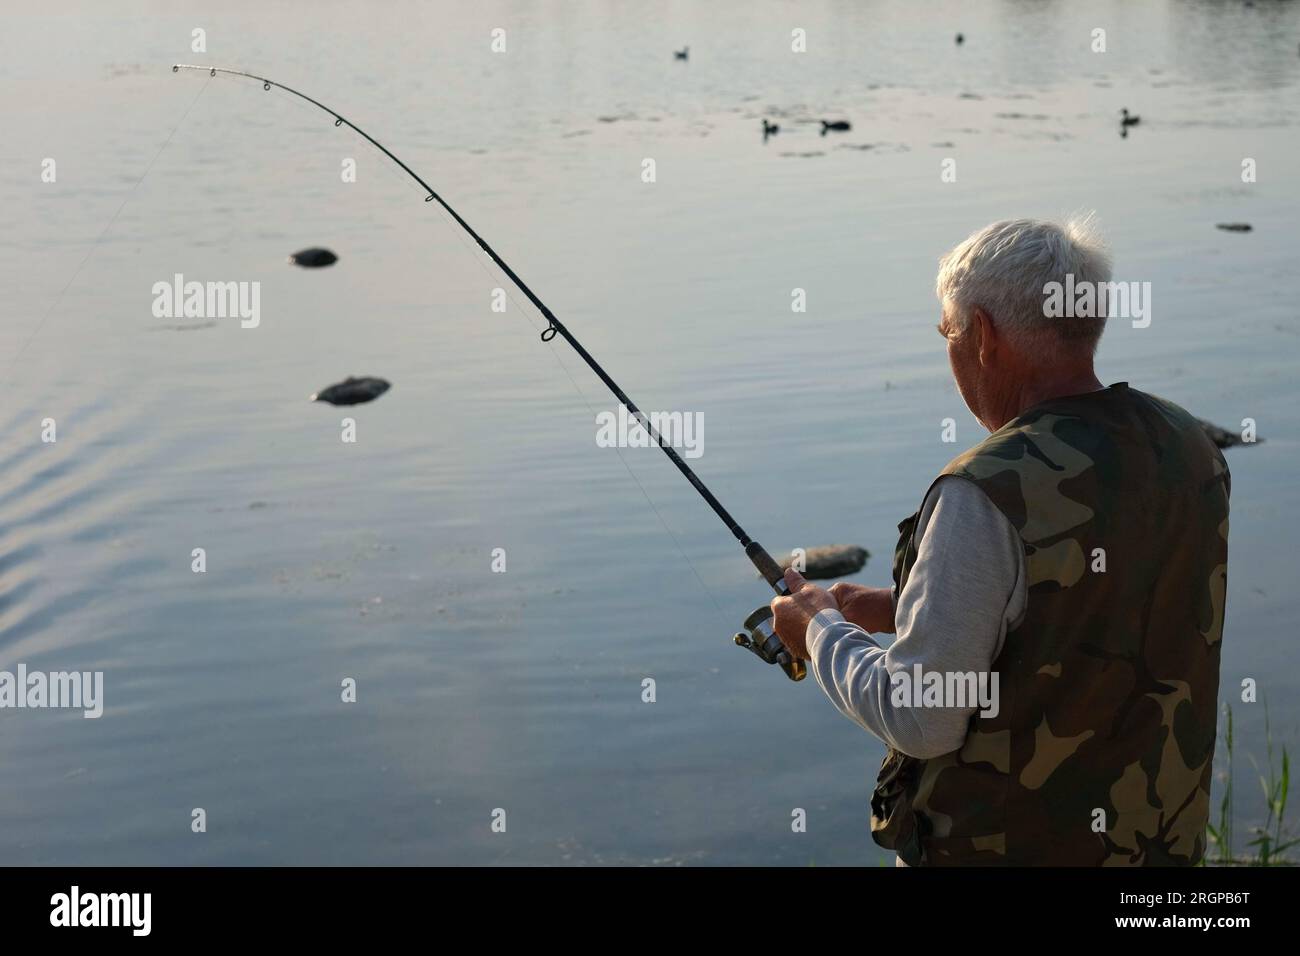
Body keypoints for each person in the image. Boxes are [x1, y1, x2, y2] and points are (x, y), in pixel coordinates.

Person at [770, 217, 1231, 866]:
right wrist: (906, 606)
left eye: (947, 332)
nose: (950, 352)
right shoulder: (1187, 447)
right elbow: (1090, 601)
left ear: (982, 336)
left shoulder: (982, 492)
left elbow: (923, 721)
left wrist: (818, 631)